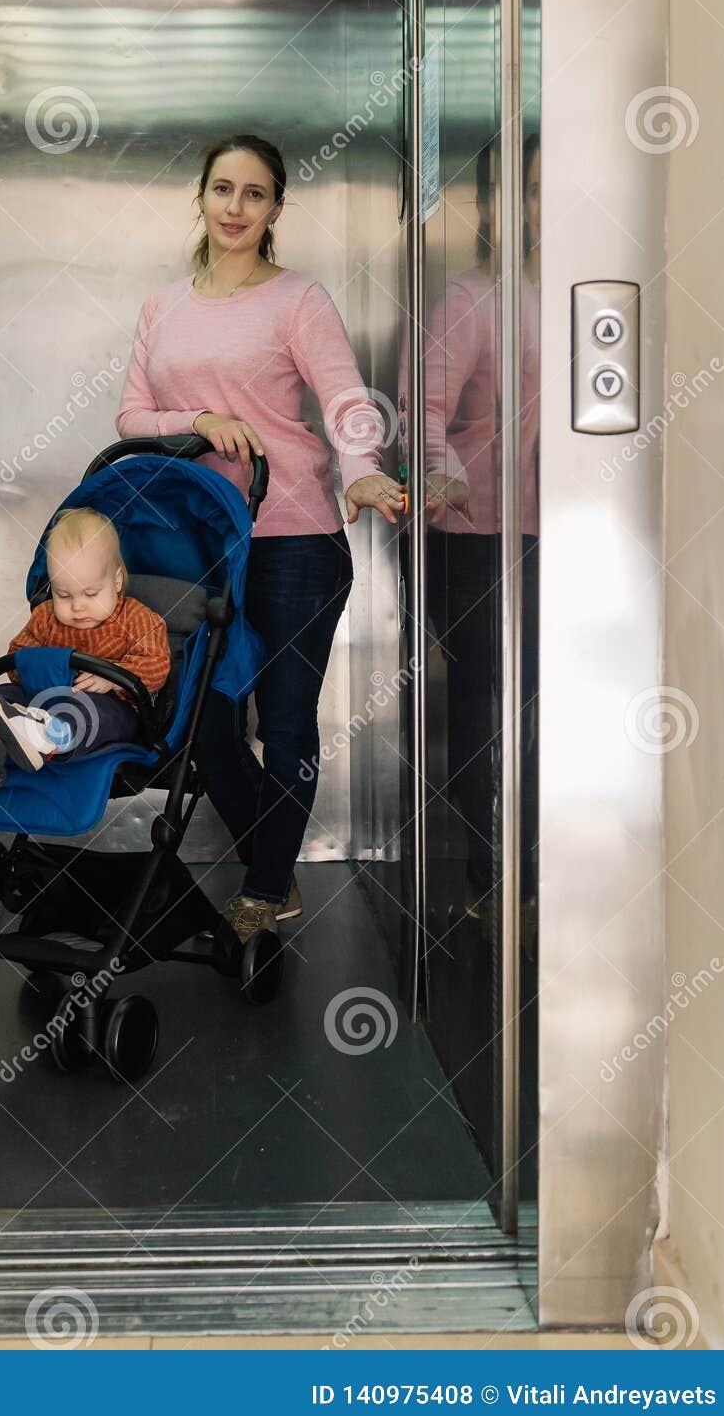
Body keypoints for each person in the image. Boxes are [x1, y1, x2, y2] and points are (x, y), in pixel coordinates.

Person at [115, 133, 405, 943]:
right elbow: (132, 417)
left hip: (292, 540)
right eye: (222, 189)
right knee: (206, 726)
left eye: (254, 194)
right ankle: (270, 858)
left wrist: (360, 470)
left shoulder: (298, 302)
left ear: (275, 209)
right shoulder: (161, 307)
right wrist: (199, 420)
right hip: (197, 547)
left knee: (283, 724)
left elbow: (344, 396)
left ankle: (266, 888)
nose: (235, 207)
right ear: (201, 197)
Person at [421, 134, 541, 951]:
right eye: (527, 189)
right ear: (498, 206)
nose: (542, 204)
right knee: (481, 710)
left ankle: (541, 872)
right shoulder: (472, 299)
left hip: (574, 542)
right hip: (479, 538)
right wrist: (444, 477)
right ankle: (485, 873)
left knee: (548, 711)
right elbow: (422, 409)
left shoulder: (593, 293)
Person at [0, 507, 170, 795]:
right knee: (0, 694)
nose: (77, 606)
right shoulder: (46, 617)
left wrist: (114, 678)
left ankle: (41, 738)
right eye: (63, 595)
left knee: (90, 710)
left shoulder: (138, 620)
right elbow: (18, 656)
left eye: (90, 593)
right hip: (41, 699)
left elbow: (156, 664)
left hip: (109, 709)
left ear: (116, 581)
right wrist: (39, 669)